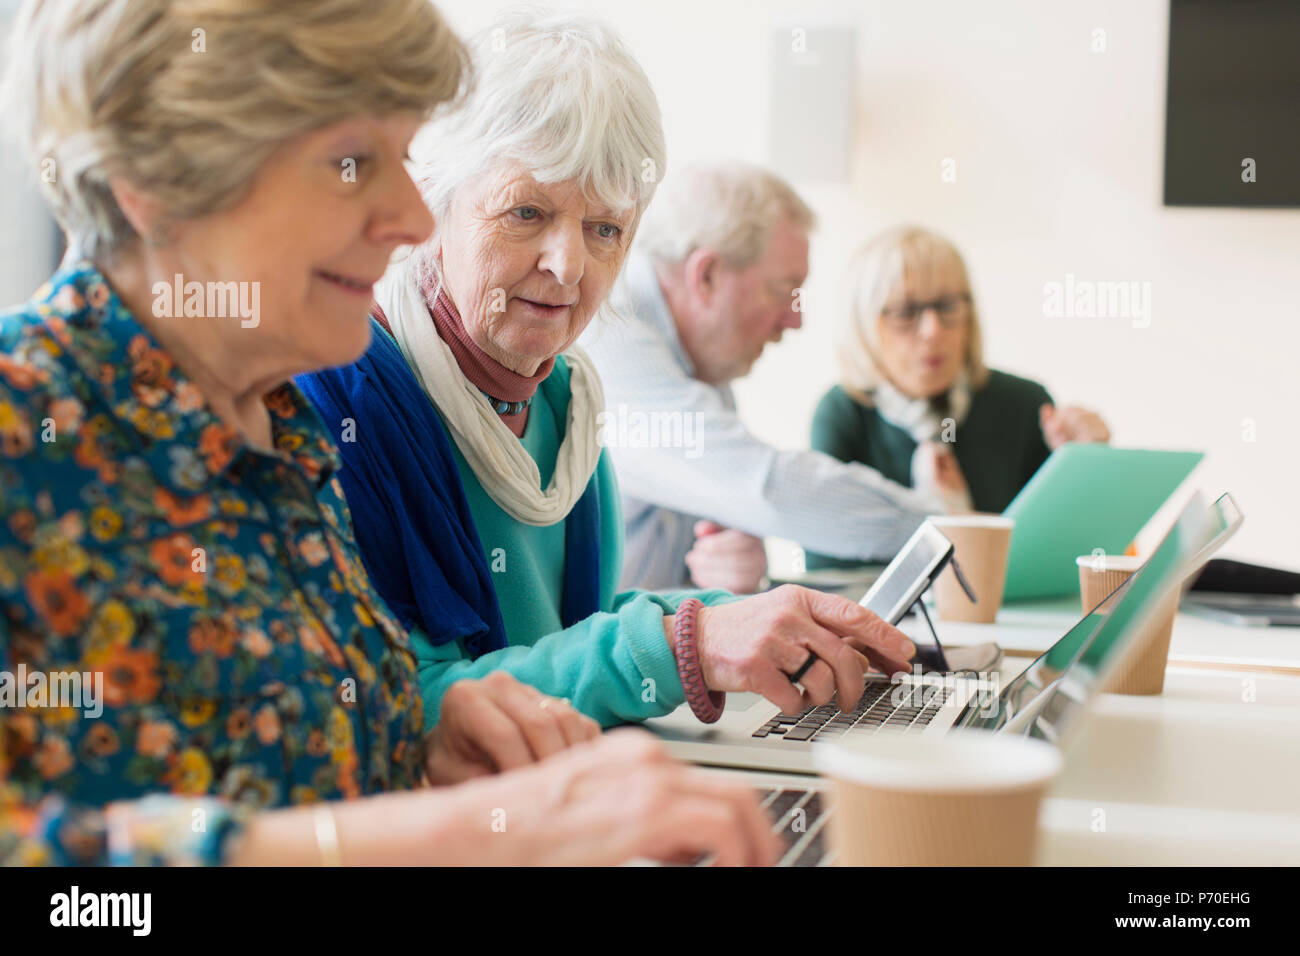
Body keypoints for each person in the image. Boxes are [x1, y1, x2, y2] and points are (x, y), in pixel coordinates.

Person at [0, 0, 779, 867]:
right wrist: (437, 833)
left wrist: (421, 735)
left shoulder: (279, 431)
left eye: (403, 160)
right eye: (350, 163)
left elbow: (293, 754)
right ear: (156, 180)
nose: (413, 218)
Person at [297, 13, 916, 736]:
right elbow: (412, 710)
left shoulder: (566, 398)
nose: (569, 266)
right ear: (435, 204)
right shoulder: (344, 397)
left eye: (605, 229)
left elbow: (571, 639)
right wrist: (687, 643)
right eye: (527, 212)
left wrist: (741, 622)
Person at [580, 163, 957, 594]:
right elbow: (767, 488)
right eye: (785, 290)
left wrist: (736, 577)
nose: (794, 320)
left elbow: (724, 530)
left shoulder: (701, 369)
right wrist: (946, 529)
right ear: (706, 276)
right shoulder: (605, 332)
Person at [805, 226, 1109, 568]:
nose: (933, 330)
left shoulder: (1024, 405)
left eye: (947, 306)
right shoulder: (843, 413)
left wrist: (1085, 470)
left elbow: (1069, 555)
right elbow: (825, 564)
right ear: (862, 325)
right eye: (906, 312)